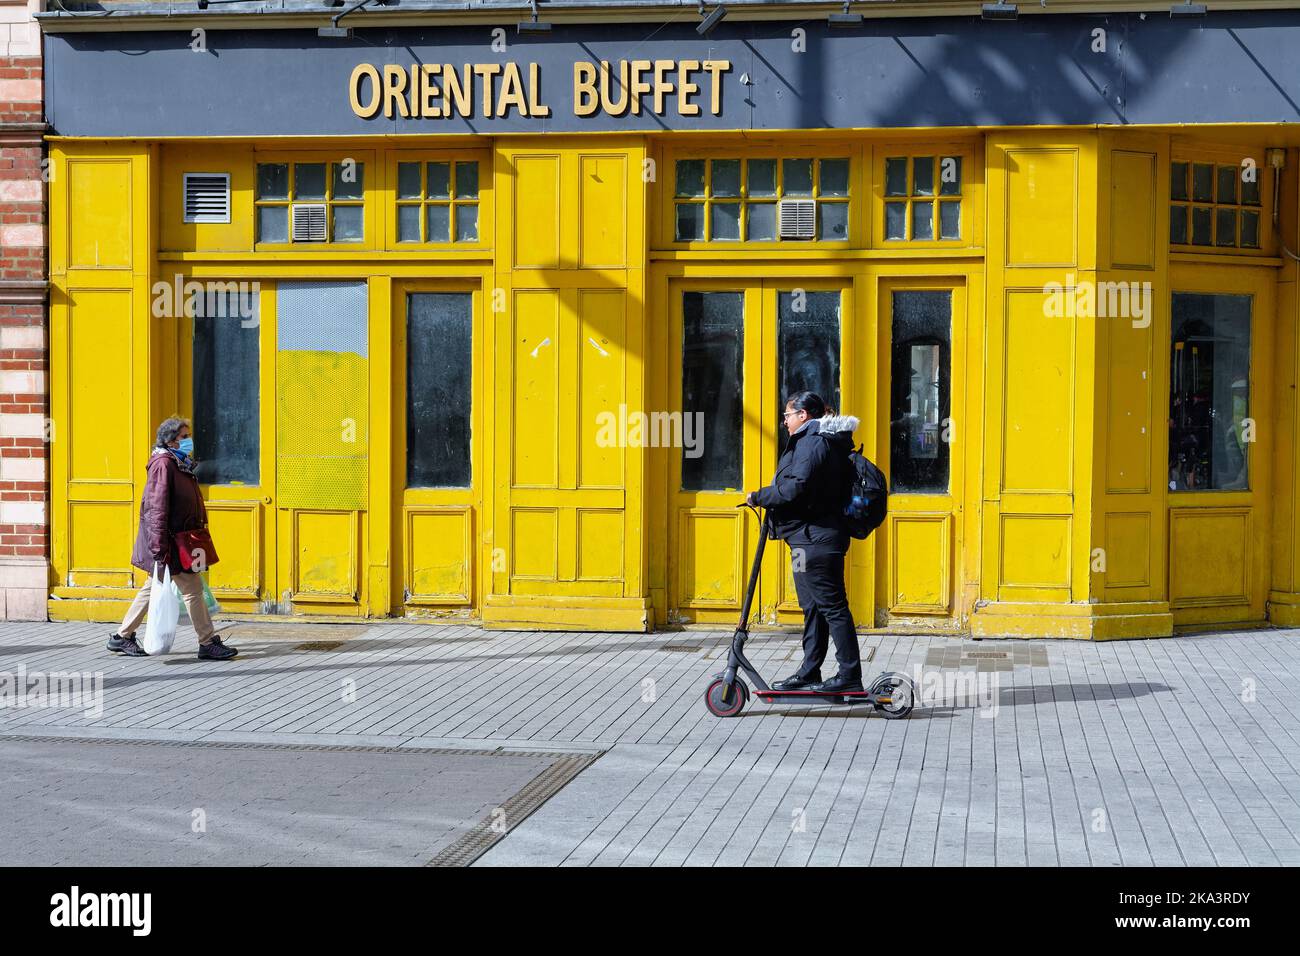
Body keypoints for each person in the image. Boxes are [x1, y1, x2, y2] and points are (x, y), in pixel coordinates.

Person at [747, 391, 862, 694]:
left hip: (817, 541)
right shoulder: (812, 439)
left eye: (787, 415)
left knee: (832, 606)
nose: (784, 421)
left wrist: (758, 496)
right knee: (811, 605)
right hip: (801, 541)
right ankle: (810, 671)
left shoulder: (813, 441)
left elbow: (796, 486)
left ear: (804, 415)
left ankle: (849, 675)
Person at [107, 417, 237, 661]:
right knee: (193, 589)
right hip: (170, 542)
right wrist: (158, 547)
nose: (189, 441)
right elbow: (156, 508)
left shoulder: (179, 463)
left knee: (152, 587)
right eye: (184, 437)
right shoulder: (163, 464)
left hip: (176, 539)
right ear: (170, 440)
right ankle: (207, 642)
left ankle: (121, 636)